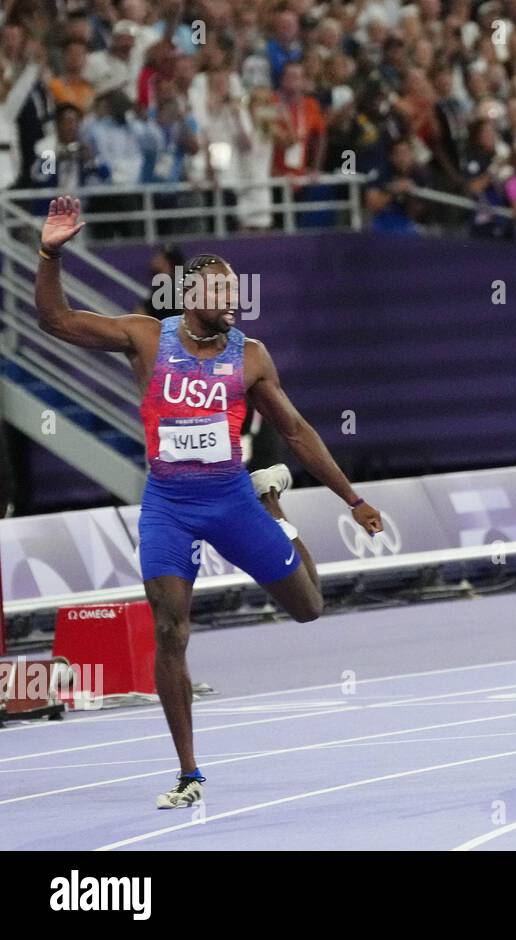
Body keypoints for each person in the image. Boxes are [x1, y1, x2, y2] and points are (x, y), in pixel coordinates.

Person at [34, 196, 383, 808]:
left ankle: (274, 506)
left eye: (235, 295)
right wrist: (49, 254)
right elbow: (56, 322)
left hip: (231, 498)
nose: (231, 303)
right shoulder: (144, 337)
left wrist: (351, 499)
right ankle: (189, 772)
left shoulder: (249, 356)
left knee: (308, 607)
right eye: (220, 294)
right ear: (189, 294)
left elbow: (297, 431)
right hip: (167, 503)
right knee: (171, 630)